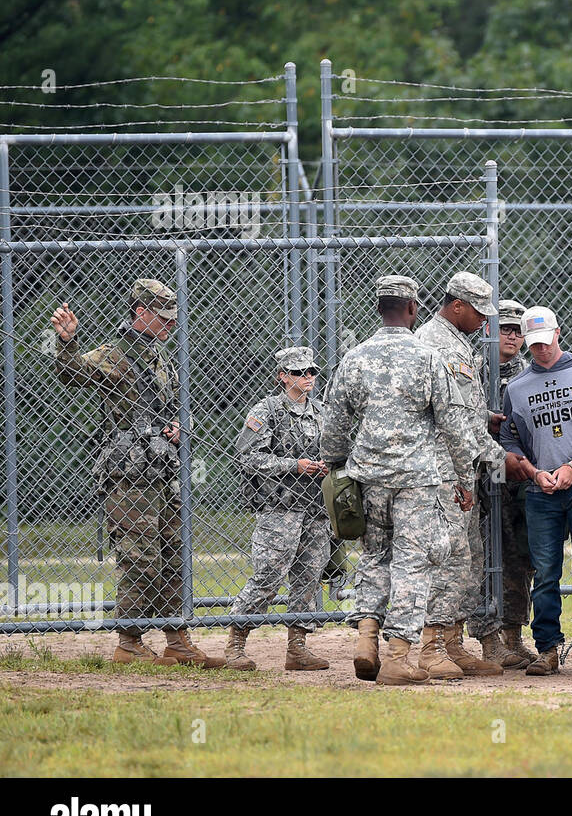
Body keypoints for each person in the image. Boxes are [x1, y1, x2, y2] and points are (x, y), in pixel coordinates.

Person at [52, 279, 224, 668]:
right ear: (141, 313)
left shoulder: (158, 356)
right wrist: (66, 342)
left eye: (173, 318)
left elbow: (175, 405)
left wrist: (181, 425)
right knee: (141, 559)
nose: (171, 325)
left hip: (163, 472)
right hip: (129, 479)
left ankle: (178, 640)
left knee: (173, 555)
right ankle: (129, 642)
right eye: (163, 318)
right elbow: (74, 374)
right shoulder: (116, 354)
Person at [319, 275, 483, 685]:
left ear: (379, 308)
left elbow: (333, 427)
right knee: (412, 565)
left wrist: (339, 465)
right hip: (418, 481)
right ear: (412, 309)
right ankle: (397, 658)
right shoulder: (427, 358)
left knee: (375, 558)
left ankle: (365, 641)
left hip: (369, 479)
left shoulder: (354, 357)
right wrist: (466, 479)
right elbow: (454, 425)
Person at [500, 306, 572, 677]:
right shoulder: (516, 388)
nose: (540, 350)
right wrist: (532, 472)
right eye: (532, 346)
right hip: (540, 488)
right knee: (546, 571)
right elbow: (509, 440)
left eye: (545, 342)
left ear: (558, 334)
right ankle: (547, 648)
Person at [414, 271, 508, 677]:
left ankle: (451, 642)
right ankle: (431, 647)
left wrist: (487, 419)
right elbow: (452, 421)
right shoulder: (440, 345)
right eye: (479, 313)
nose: (484, 322)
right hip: (443, 470)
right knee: (448, 561)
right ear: (457, 306)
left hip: (457, 466)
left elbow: (462, 411)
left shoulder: (452, 341)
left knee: (465, 559)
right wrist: (501, 457)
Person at [225, 346, 331, 672]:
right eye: (299, 372)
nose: (307, 377)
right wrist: (293, 466)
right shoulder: (267, 411)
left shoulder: (322, 412)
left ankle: (297, 648)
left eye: (311, 371)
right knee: (269, 575)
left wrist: (330, 464)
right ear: (282, 376)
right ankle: (235, 643)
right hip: (279, 509)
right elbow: (247, 457)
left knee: (309, 577)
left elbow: (338, 451)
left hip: (316, 509)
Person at [476, 298, 537, 668]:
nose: (512, 336)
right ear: (490, 331)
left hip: (516, 475)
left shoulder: (530, 373)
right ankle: (488, 639)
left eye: (518, 331)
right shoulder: (474, 370)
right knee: (483, 555)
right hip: (482, 473)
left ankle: (513, 636)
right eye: (505, 329)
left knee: (519, 556)